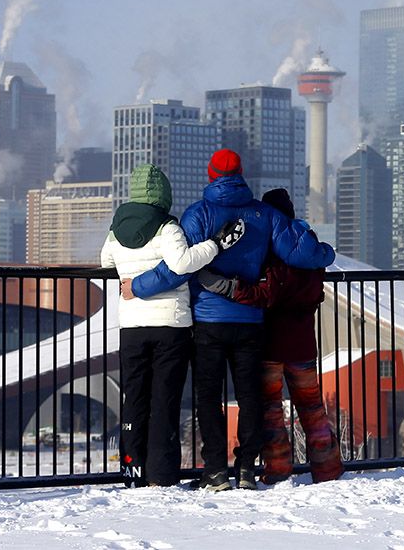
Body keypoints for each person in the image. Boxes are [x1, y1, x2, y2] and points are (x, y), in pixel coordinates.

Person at [124, 149, 336, 491]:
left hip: (208, 321)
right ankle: (248, 467)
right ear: (241, 173)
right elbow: (301, 253)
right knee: (250, 395)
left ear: (210, 175)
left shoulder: (198, 214)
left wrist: (138, 286)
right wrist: (327, 252)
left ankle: (215, 471)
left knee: (208, 396)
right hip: (251, 321)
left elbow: (177, 268)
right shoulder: (264, 214)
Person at [99, 163, 245, 488]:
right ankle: (161, 475)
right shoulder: (168, 227)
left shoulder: (117, 229)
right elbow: (180, 264)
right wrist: (214, 246)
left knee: (134, 397)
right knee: (164, 399)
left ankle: (131, 470)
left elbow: (105, 261)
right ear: (164, 194)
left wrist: (130, 270)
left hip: (132, 325)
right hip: (170, 326)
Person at [198, 187, 343, 485]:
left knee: (272, 411)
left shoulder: (275, 254)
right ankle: (328, 470)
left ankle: (277, 469)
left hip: (272, 345)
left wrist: (231, 288)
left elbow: (266, 296)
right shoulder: (311, 252)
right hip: (303, 344)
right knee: (313, 410)